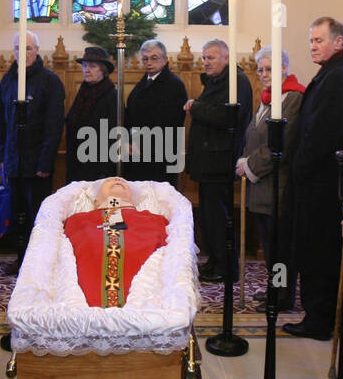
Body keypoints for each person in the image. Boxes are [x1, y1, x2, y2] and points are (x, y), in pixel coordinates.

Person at [283, 17, 343, 339]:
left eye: (319, 40)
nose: (312, 46)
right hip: (312, 181)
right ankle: (316, 315)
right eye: (310, 41)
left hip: (319, 185)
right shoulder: (330, 74)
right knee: (310, 250)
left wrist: (299, 167)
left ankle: (319, 320)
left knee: (318, 252)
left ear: (338, 42)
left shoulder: (338, 77)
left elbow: (321, 133)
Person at [236, 46, 304, 310]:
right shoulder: (268, 99)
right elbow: (254, 136)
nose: (264, 74)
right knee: (270, 245)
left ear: (284, 68)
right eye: (261, 69)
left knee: (280, 249)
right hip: (261, 185)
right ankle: (273, 289)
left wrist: (249, 165)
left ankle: (283, 296)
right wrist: (244, 160)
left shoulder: (292, 98)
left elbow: (281, 142)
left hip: (278, 185)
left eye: (270, 69)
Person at [185, 38, 253, 283]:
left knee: (218, 217)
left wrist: (195, 107)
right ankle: (214, 261)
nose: (206, 62)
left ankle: (225, 267)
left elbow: (226, 116)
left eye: (211, 57)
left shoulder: (236, 82)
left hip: (220, 162)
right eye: (204, 58)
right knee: (209, 217)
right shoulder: (219, 81)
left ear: (226, 58)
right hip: (209, 163)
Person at [0, 30, 65, 276]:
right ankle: (21, 257)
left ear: (36, 51)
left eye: (27, 48)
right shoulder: (8, 79)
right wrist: (1, 156)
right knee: (18, 214)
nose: (22, 53)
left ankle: (40, 261)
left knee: (38, 214)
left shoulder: (50, 81)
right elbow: (2, 121)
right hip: (13, 161)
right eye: (17, 48)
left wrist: (45, 162)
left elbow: (54, 125)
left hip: (37, 163)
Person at [63, 177, 170, 307]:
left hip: (143, 300)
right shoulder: (77, 221)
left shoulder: (155, 220)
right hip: (84, 303)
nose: (117, 180)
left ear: (131, 199)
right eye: (108, 182)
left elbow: (169, 256)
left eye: (124, 182)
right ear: (96, 201)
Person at [124, 38, 188, 185]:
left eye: (154, 58)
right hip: (137, 153)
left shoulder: (174, 85)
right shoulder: (143, 82)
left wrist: (143, 146)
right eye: (145, 59)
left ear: (165, 59)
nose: (149, 62)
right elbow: (131, 115)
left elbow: (171, 123)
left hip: (160, 155)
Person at [65, 45, 118, 182]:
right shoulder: (83, 92)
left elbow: (113, 136)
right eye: (84, 66)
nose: (86, 70)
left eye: (92, 66)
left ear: (103, 70)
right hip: (77, 163)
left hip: (98, 167)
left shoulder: (111, 95)